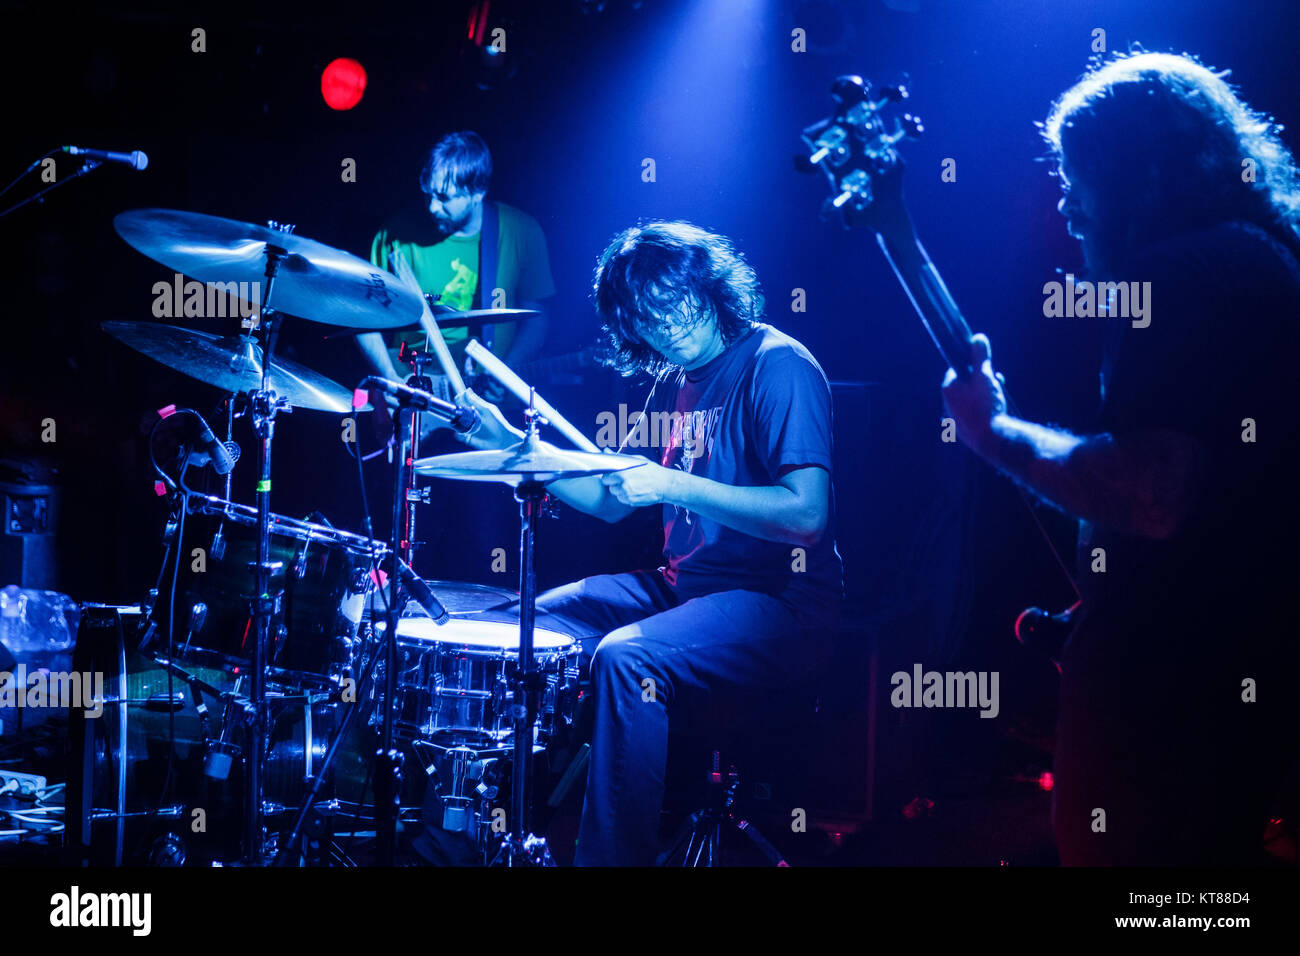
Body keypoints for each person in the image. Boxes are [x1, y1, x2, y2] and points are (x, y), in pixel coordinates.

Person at [941, 52, 1300, 865]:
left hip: (1169, 703)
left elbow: (1155, 492)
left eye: (1079, 177)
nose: (1066, 206)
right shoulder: (1257, 259)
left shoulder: (1178, 272)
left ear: (1141, 175)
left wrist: (995, 435)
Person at [460, 221, 843, 865]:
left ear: (709, 285)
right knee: (528, 625)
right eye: (645, 318)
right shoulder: (681, 380)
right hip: (684, 588)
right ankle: (491, 835)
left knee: (625, 658)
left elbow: (806, 516)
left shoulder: (778, 365)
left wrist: (671, 481)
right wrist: (510, 446)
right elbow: (611, 502)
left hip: (781, 601)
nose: (666, 325)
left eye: (674, 303)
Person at [357, 130, 555, 404]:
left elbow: (537, 316)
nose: (433, 207)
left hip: (485, 397)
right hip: (411, 384)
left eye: (444, 197)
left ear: (478, 191)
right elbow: (362, 316)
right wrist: (390, 378)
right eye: (427, 194)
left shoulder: (522, 231)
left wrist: (506, 372)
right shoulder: (394, 236)